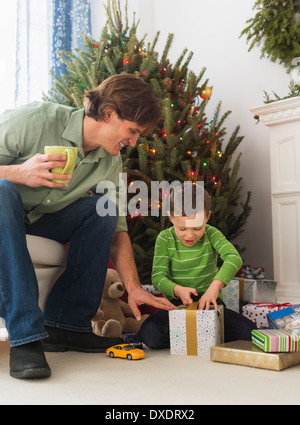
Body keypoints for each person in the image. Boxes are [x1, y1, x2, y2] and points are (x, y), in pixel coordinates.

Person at [0, 74, 175, 380]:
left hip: (39, 220)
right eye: (132, 131)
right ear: (109, 113)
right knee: (3, 191)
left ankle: (66, 326)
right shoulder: (36, 120)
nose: (134, 142)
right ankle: (25, 338)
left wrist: (133, 287)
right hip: (3, 209)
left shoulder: (110, 160)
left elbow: (118, 229)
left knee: (103, 210)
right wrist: (19, 172)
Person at [138, 182, 257, 349]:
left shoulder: (212, 234)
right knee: (150, 335)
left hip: (210, 303)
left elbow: (234, 258)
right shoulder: (164, 238)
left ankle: (199, 334)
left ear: (207, 217)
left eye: (197, 228)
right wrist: (178, 289)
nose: (190, 235)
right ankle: (198, 335)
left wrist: (215, 287)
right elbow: (158, 278)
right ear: (171, 218)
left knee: (250, 333)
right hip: (176, 305)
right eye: (182, 228)